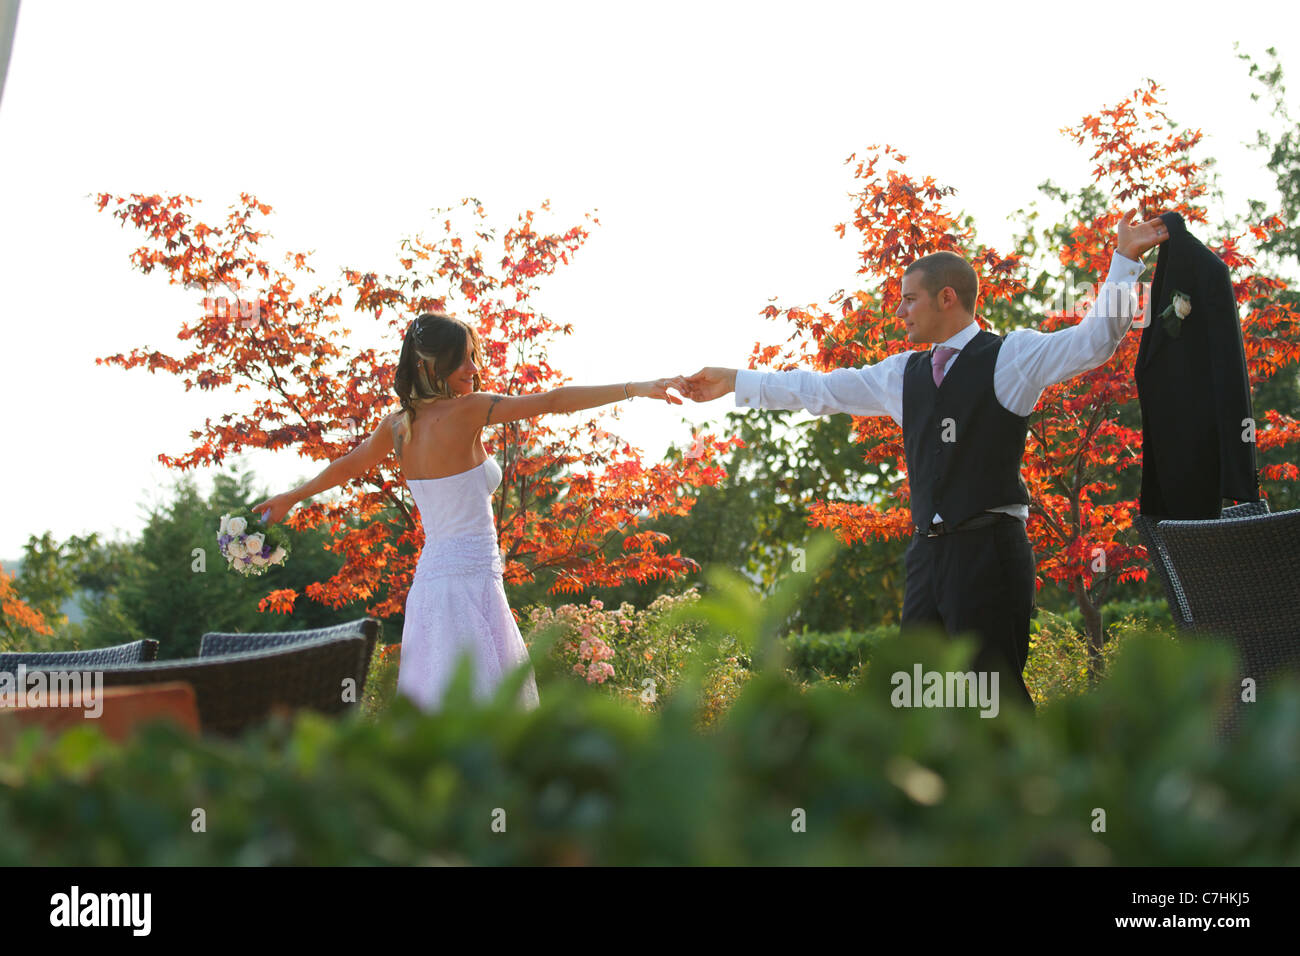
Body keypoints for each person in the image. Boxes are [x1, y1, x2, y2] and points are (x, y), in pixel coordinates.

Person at [680, 210, 1170, 712]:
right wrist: (735, 381)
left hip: (989, 553)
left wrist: (1124, 261)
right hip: (926, 558)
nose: (900, 312)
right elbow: (820, 390)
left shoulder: (1011, 357)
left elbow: (1094, 341)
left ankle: (1031, 790)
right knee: (911, 703)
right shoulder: (901, 374)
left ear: (947, 297)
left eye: (909, 300)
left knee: (992, 701)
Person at [252, 312, 688, 712]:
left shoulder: (397, 426)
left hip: (432, 586)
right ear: (429, 362)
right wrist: (637, 388)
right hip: (470, 584)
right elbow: (555, 400)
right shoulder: (470, 409)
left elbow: (348, 466)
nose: (474, 370)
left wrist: (291, 497)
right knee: (488, 709)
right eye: (463, 361)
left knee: (441, 704)